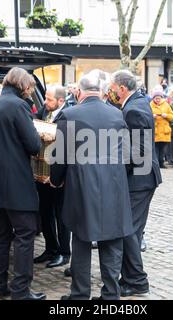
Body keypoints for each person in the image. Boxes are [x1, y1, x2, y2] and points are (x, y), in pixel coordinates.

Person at [51, 73, 134, 300]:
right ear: (102, 91)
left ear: (79, 92)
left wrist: (56, 180)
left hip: (81, 186)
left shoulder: (69, 115)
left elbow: (59, 157)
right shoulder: (117, 114)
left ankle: (79, 294)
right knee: (112, 240)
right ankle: (110, 294)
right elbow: (128, 156)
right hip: (114, 185)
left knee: (81, 240)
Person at [0, 68, 45, 300]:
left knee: (0, 237)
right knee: (25, 236)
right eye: (30, 87)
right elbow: (34, 145)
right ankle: (20, 291)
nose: (30, 92)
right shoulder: (18, 106)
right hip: (16, 186)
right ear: (23, 85)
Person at [109, 70, 162, 297]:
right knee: (132, 230)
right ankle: (131, 277)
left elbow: (139, 152)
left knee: (129, 230)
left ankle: (137, 281)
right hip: (141, 178)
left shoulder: (134, 108)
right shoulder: (137, 103)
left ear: (122, 88)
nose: (111, 92)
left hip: (139, 180)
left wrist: (115, 166)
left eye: (112, 88)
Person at [34, 85, 71, 268]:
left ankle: (64, 253)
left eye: (49, 99)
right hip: (42, 173)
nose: (45, 102)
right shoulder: (44, 111)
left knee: (61, 215)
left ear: (61, 101)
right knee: (45, 212)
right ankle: (50, 249)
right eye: (45, 98)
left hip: (59, 176)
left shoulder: (68, 115)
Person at [150, 87, 173, 169]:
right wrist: (152, 116)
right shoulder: (150, 105)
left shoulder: (166, 105)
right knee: (156, 149)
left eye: (159, 98)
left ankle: (161, 163)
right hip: (156, 131)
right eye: (156, 98)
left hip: (164, 131)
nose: (157, 100)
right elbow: (146, 116)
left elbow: (172, 116)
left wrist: (166, 115)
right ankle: (156, 164)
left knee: (163, 149)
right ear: (153, 98)